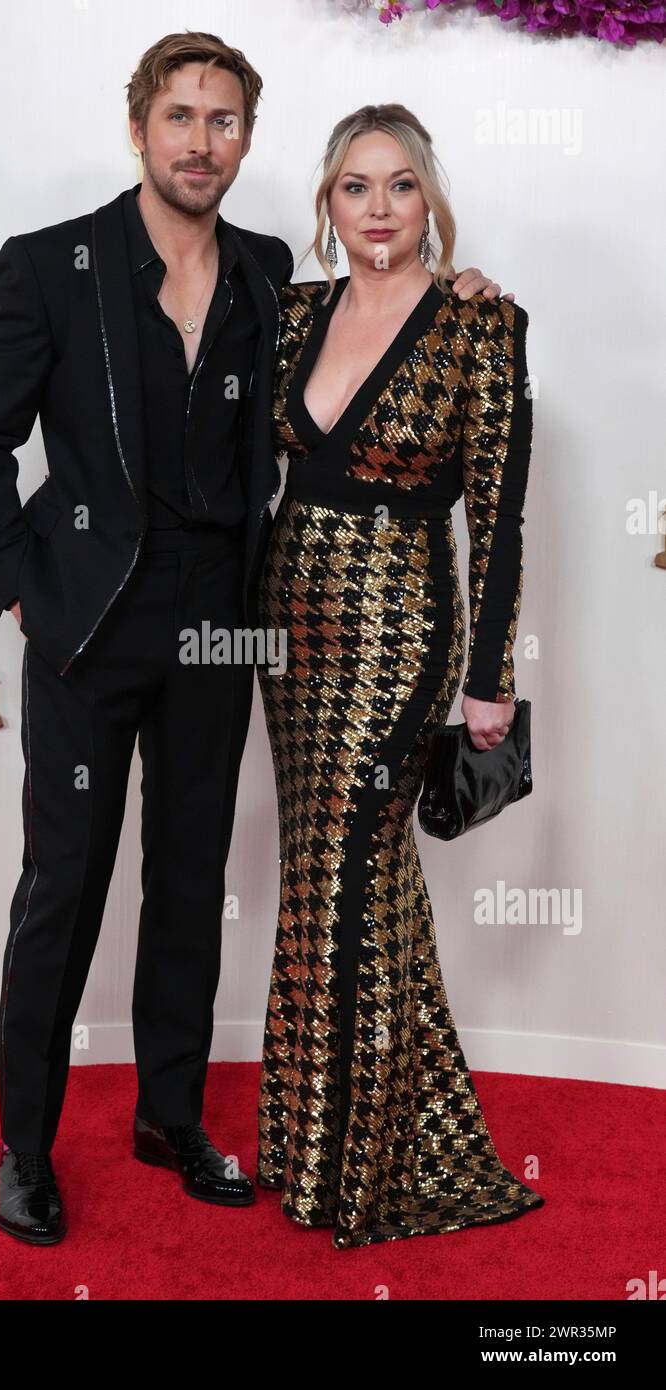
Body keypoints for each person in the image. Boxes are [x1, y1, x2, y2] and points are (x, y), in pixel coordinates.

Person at [0, 31, 508, 1245]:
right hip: (88, 625)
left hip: (227, 625)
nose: (202, 140)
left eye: (224, 120)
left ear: (246, 139)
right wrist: (20, 592)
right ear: (139, 124)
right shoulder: (53, 265)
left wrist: (464, 282)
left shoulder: (268, 277)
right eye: (180, 116)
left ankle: (168, 1115)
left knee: (191, 880)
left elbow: (383, 300)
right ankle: (25, 1147)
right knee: (64, 886)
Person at [254, 103, 545, 1249]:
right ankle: (316, 1139)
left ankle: (363, 1167)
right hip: (289, 632)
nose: (376, 210)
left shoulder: (481, 325)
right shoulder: (290, 315)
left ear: (430, 198)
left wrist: (489, 677)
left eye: (398, 186)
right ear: (326, 207)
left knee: (354, 872)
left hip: (402, 632)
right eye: (352, 188)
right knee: (322, 875)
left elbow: (501, 520)